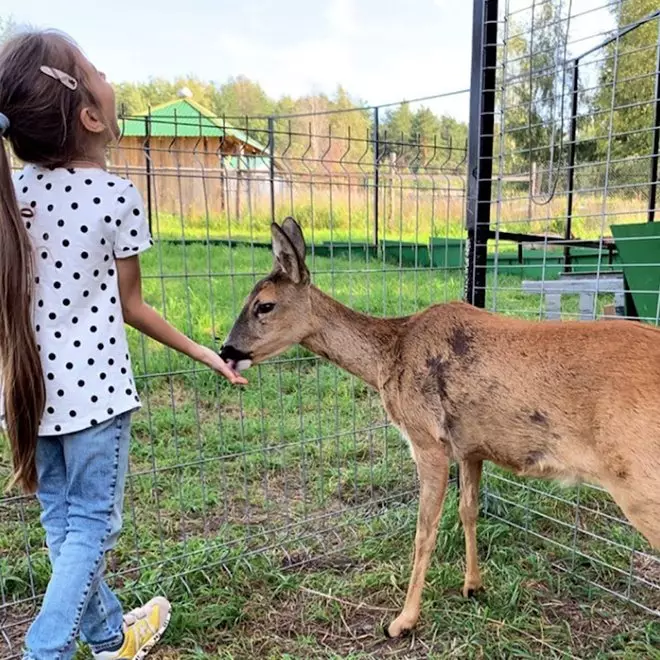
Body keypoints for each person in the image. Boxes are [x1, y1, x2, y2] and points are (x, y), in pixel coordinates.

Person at [0, 29, 247, 660]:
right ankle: (45, 650)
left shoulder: (14, 196)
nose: (108, 77)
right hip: (95, 397)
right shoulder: (115, 196)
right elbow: (131, 305)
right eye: (97, 71)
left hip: (25, 393)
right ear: (88, 113)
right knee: (89, 528)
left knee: (63, 524)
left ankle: (110, 636)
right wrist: (201, 352)